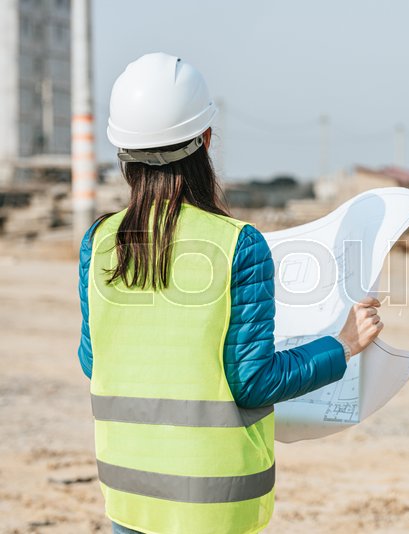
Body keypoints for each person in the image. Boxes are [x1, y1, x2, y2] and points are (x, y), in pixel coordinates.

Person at [77, 52, 383, 534]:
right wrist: (342, 345)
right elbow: (253, 382)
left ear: (122, 153)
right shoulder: (236, 244)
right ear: (206, 140)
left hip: (128, 492)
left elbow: (95, 362)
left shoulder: (97, 243)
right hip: (213, 500)